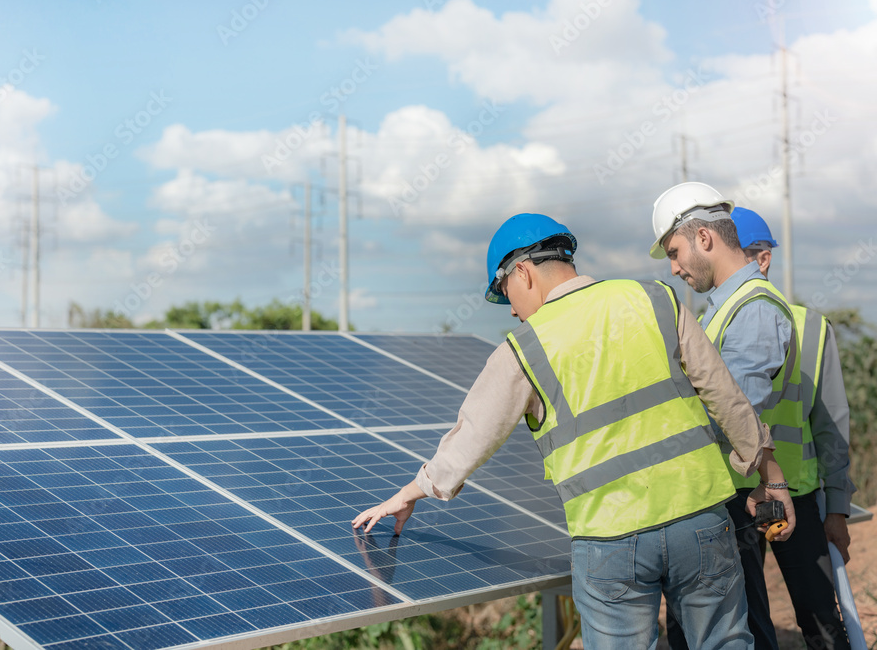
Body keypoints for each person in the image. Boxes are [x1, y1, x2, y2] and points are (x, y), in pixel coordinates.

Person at [353, 213, 795, 649]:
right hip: (700, 520)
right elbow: (727, 398)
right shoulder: (656, 298)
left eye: (505, 291)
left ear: (522, 273)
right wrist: (772, 478)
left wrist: (411, 491)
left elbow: (471, 438)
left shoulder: (523, 349)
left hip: (611, 540)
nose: (510, 308)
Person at [649, 182, 800, 650]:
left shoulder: (752, 308)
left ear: (705, 239)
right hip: (716, 495)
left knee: (739, 630)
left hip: (730, 498)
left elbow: (736, 414)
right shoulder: (724, 307)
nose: (673, 268)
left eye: (675, 252)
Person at [731, 206, 853, 649]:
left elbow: (830, 427)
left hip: (779, 495)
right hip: (748, 496)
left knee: (778, 621)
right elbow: (832, 427)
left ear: (761, 259)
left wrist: (836, 508)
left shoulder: (808, 328)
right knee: (803, 621)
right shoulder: (713, 322)